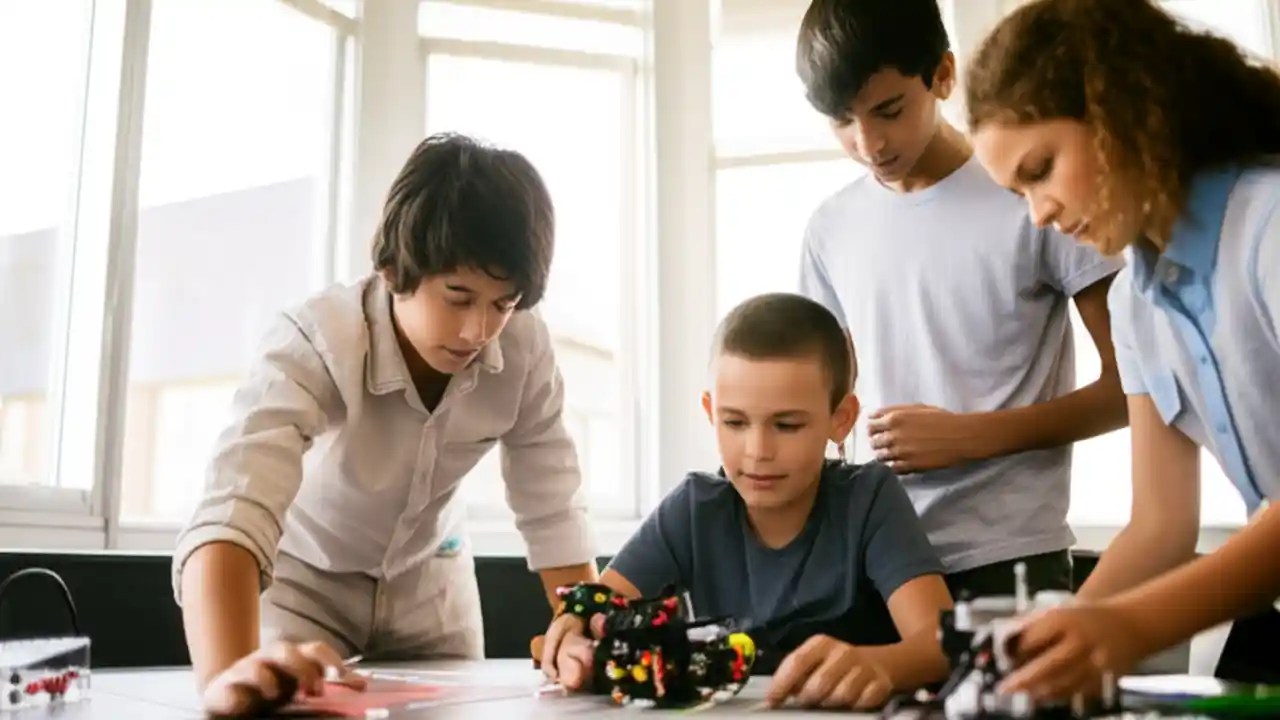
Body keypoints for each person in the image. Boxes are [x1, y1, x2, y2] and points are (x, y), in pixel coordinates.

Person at [174, 133, 599, 716]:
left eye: (503, 303)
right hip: (306, 589)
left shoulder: (525, 347)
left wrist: (581, 626)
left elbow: (552, 504)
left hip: (432, 591)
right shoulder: (315, 337)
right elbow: (234, 506)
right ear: (394, 268)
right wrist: (226, 677)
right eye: (458, 296)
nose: (479, 331)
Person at [965, 0, 1280, 699]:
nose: (1038, 212)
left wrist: (1128, 629)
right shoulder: (1134, 305)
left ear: (1122, 110)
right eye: (1019, 193)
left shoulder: (1269, 228)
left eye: (1040, 169)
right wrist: (1061, 637)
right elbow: (1162, 526)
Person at [794, 0, 1128, 599]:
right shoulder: (829, 228)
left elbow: (1133, 387)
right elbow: (822, 411)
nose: (868, 142)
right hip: (869, 559)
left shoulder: (1035, 192)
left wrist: (970, 437)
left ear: (943, 75)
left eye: (888, 110)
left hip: (1010, 556)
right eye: (842, 121)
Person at [538, 293, 953, 710]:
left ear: (840, 419)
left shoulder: (870, 499)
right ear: (710, 410)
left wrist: (879, 663)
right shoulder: (694, 508)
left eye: (786, 425)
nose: (757, 450)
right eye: (734, 422)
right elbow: (595, 605)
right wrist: (573, 633)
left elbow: (941, 641)